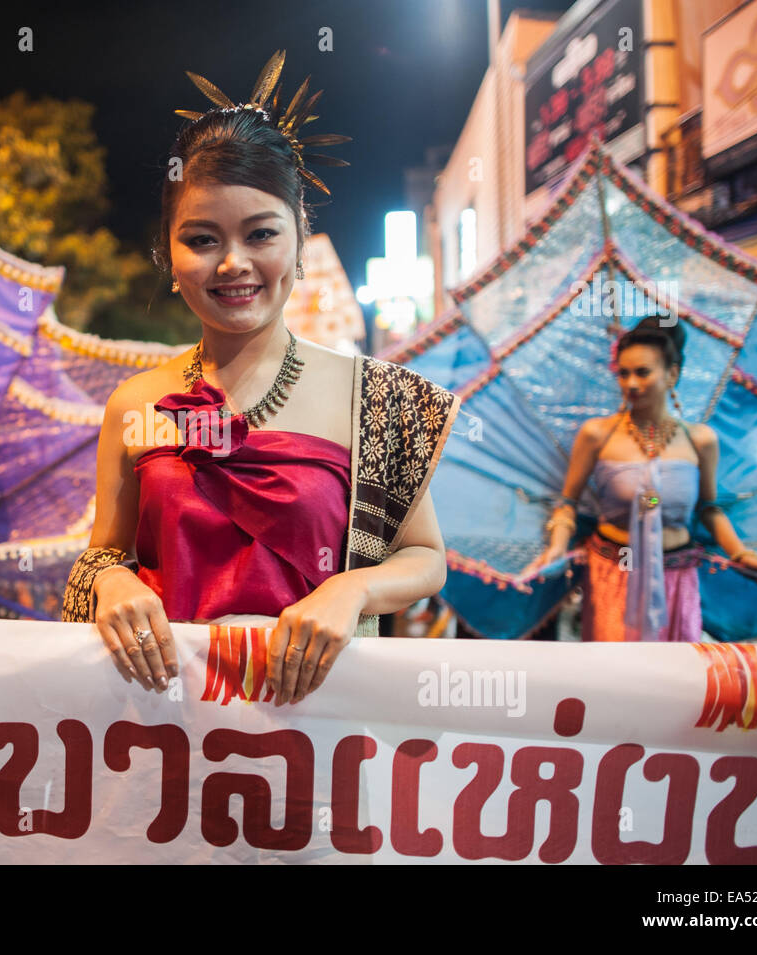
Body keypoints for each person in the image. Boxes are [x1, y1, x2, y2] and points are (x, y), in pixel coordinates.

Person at [62, 51, 461, 703]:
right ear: (169, 253)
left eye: (261, 233)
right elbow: (100, 554)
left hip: (323, 724)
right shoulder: (135, 404)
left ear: (300, 237)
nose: (234, 264)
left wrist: (351, 587)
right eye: (203, 239)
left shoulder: (380, 398)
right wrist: (110, 583)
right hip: (169, 729)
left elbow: (427, 559)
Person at [523, 316, 757, 641]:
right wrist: (557, 547)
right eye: (623, 373)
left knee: (676, 680)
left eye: (643, 372)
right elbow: (567, 504)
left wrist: (742, 553)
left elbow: (709, 509)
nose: (631, 383)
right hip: (611, 576)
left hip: (678, 580)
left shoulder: (700, 440)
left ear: (672, 374)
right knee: (613, 680)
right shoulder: (597, 434)